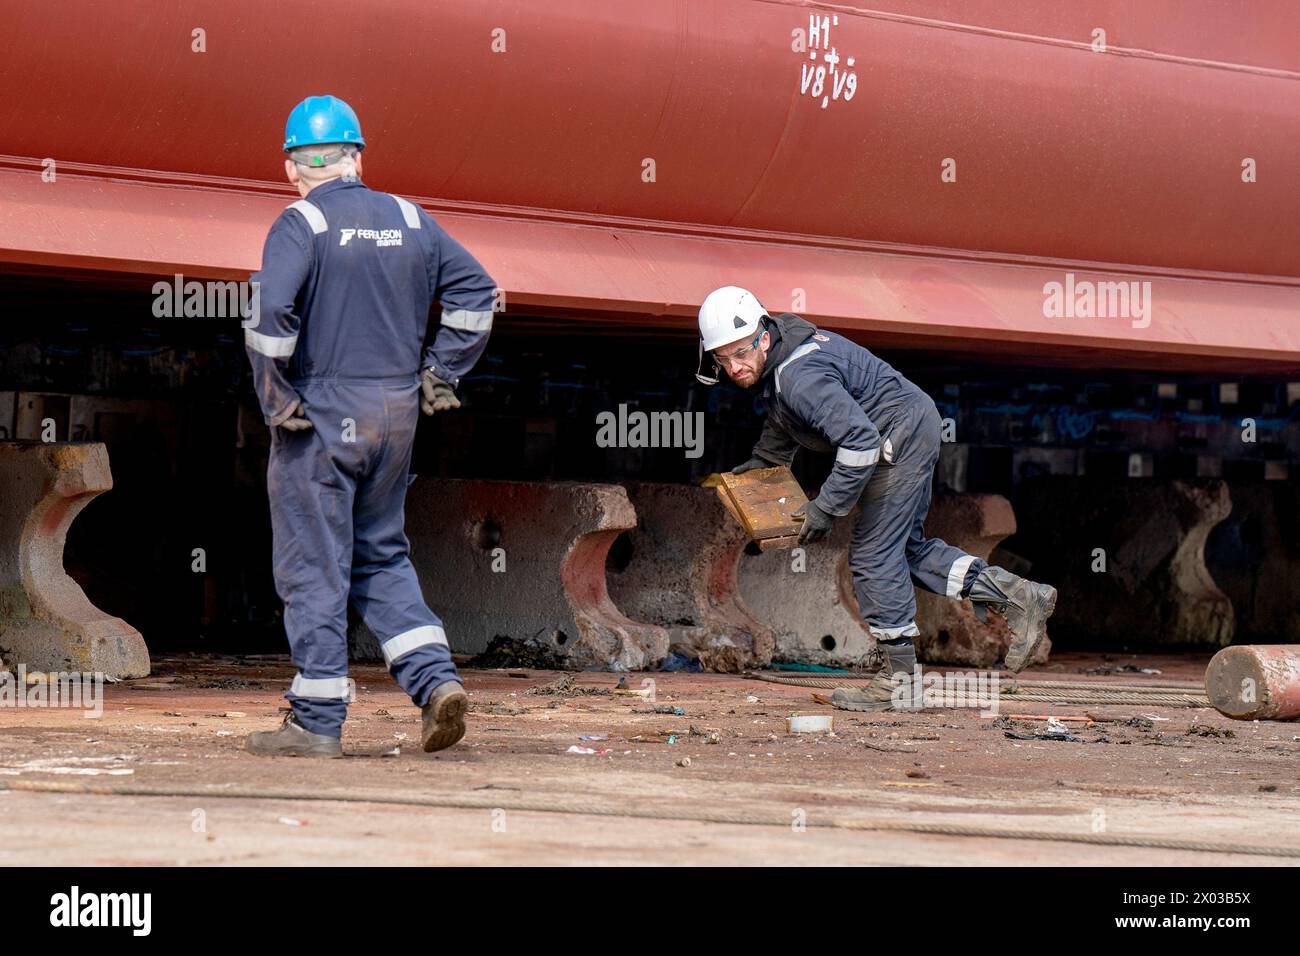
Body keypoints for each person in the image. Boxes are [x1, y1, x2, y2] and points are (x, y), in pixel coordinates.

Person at [243, 95, 496, 755]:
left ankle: (317, 722)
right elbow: (477, 293)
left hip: (324, 414)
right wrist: (441, 374)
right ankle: (435, 681)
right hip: (396, 410)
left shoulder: (301, 223)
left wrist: (277, 402)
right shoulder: (411, 218)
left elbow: (269, 317)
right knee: (380, 553)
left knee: (314, 562)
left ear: (293, 167)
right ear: (358, 158)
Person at [696, 286, 1056, 711]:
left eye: (740, 353)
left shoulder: (798, 376)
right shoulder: (783, 355)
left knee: (872, 555)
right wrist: (758, 468)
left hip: (895, 435)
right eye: (723, 358)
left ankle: (899, 682)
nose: (734, 367)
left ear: (763, 336)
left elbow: (860, 442)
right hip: (911, 422)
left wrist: (826, 507)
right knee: (905, 550)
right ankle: (1016, 594)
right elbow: (785, 422)